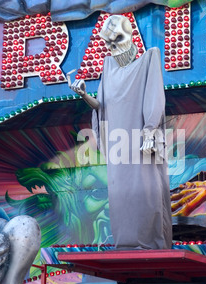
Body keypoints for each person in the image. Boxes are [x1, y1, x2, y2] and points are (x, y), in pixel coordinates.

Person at [67, 15, 172, 250]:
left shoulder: (149, 58)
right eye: (108, 43)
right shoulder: (108, 67)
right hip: (117, 145)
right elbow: (102, 106)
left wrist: (149, 133)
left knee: (147, 195)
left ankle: (151, 245)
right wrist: (84, 95)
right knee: (120, 197)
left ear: (131, 35)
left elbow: (154, 98)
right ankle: (125, 245)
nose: (113, 47)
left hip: (141, 143)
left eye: (118, 39)